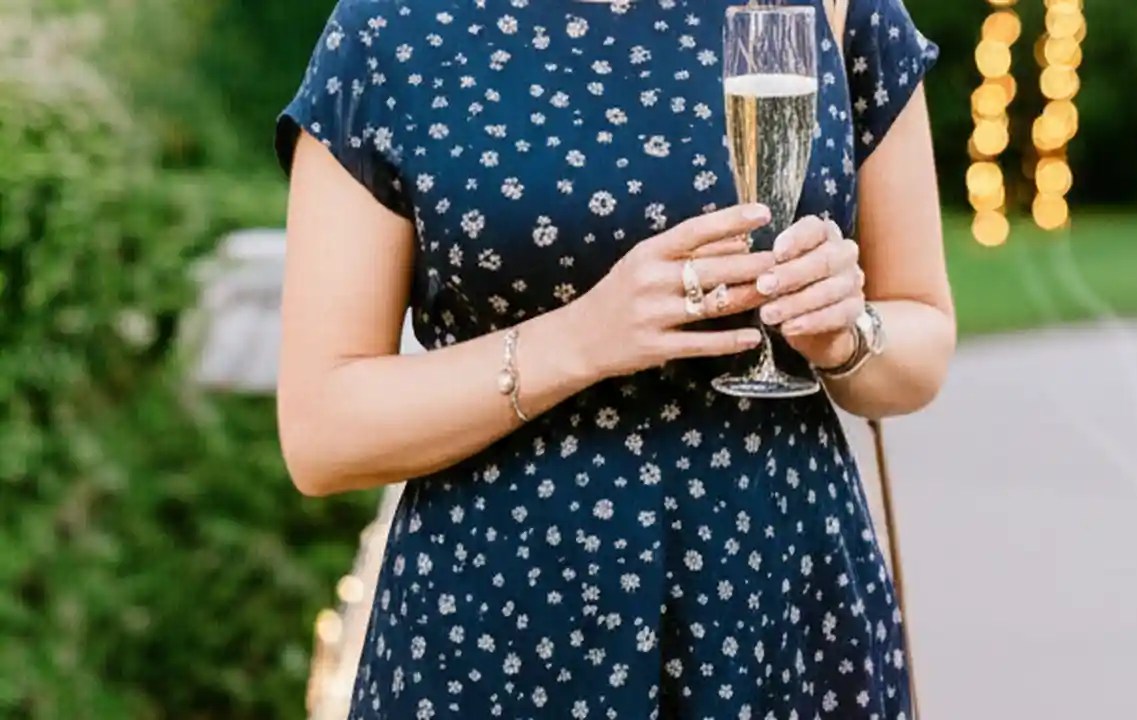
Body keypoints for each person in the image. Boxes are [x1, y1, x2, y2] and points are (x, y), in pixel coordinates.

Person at [274, 0, 952, 717]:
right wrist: (578, 342)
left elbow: (923, 335)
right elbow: (323, 430)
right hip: (497, 629)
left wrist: (846, 333)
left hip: (775, 612)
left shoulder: (837, 8)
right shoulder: (390, 26)